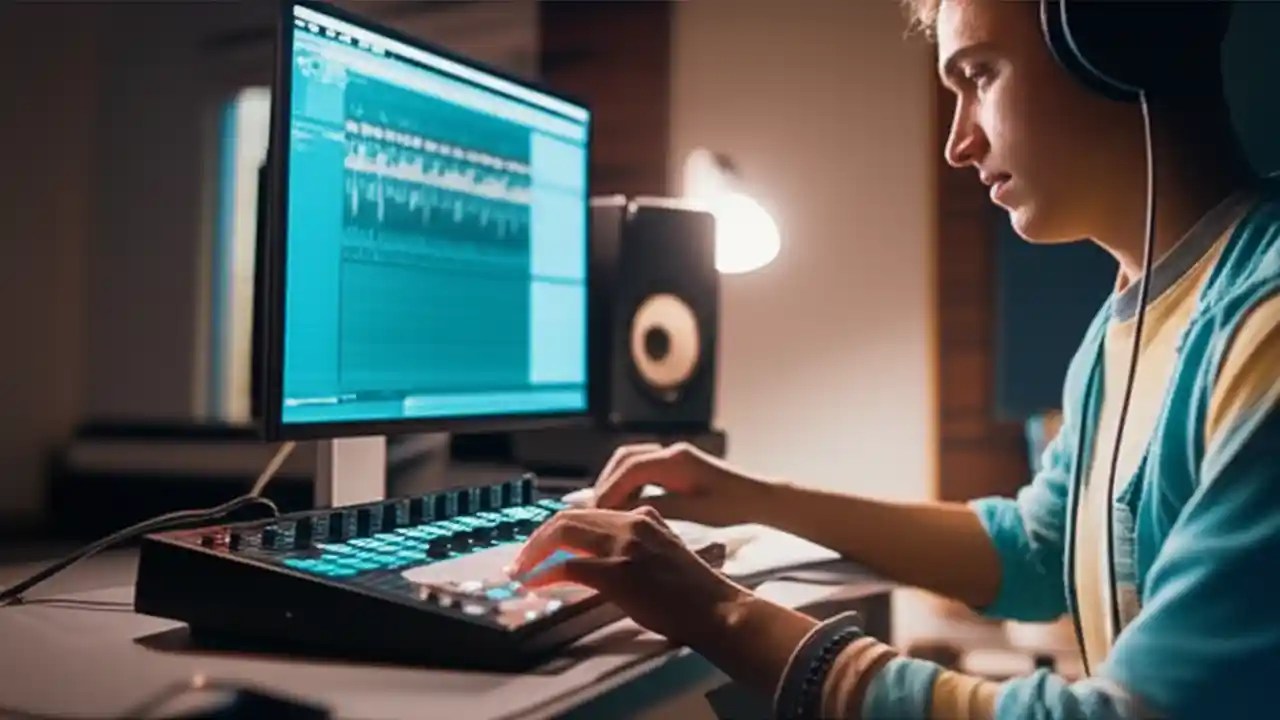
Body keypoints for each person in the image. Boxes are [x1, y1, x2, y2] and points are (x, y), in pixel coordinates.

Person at [508, 0, 1280, 717]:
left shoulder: (1265, 332)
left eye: (979, 75)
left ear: (1112, 32)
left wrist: (721, 613)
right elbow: (1032, 552)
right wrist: (750, 496)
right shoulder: (1122, 331)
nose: (958, 143)